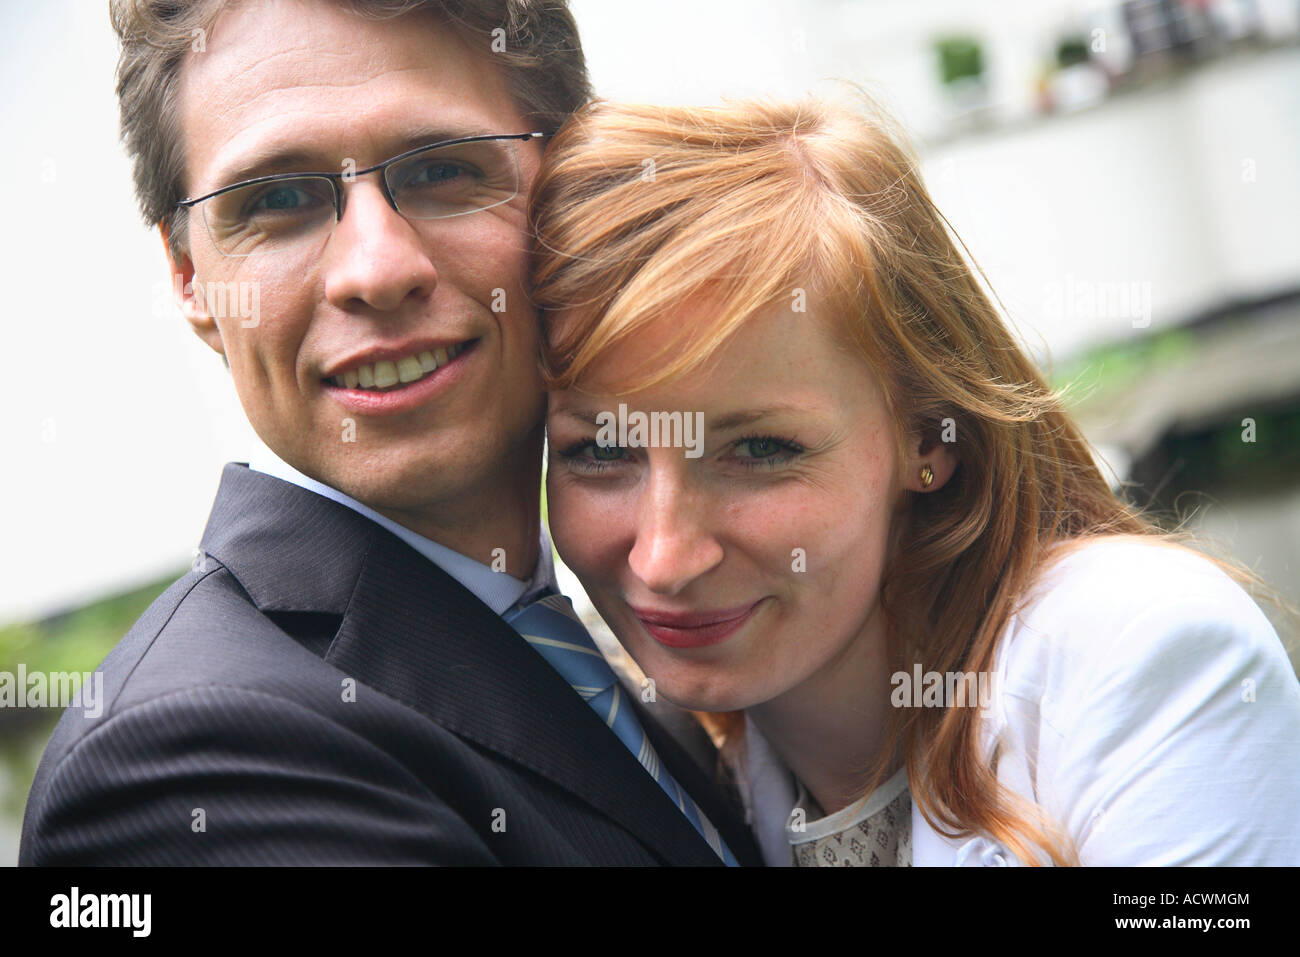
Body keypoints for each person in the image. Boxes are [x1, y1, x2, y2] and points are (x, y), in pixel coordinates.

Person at [20, 0, 760, 866]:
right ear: (188, 276)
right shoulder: (188, 764)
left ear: (574, 194)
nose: (377, 269)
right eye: (280, 199)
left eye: (441, 169)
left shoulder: (639, 651)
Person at [528, 96, 1300, 866]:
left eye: (760, 449)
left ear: (931, 438)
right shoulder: (672, 767)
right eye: (600, 451)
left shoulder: (1145, 655)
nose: (664, 557)